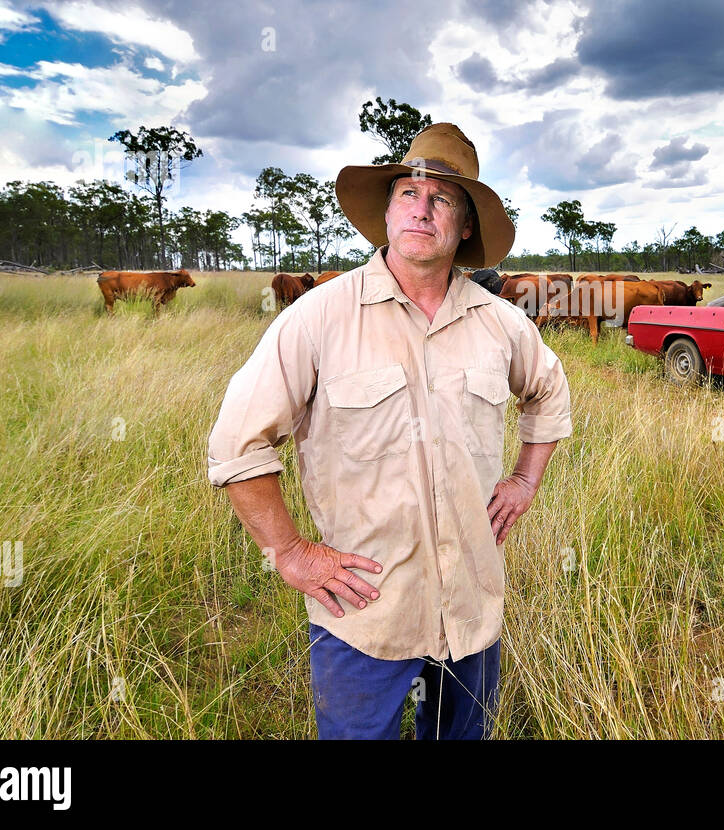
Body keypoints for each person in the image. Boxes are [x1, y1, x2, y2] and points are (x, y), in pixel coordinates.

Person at [206, 122, 572, 739]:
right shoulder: (319, 316)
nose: (422, 210)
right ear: (388, 210)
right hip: (365, 612)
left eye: (442, 200)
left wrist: (523, 481)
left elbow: (549, 394)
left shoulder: (503, 325)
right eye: (408, 193)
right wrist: (292, 553)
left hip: (472, 606)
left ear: (464, 228)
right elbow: (236, 443)